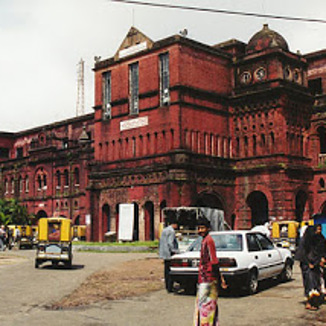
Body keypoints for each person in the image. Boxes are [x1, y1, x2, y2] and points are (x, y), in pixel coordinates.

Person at [194, 217, 227, 326]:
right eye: (198, 228)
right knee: (205, 305)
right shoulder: (204, 241)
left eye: (202, 228)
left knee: (205, 306)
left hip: (209, 279)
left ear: (208, 228)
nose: (200, 230)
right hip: (204, 278)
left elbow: (214, 262)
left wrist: (221, 279)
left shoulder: (209, 241)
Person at [296, 225, 324, 310]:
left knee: (316, 282)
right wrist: (309, 263)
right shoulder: (306, 241)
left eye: (320, 229)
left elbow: (321, 250)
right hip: (307, 264)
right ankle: (310, 302)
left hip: (316, 264)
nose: (318, 231)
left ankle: (316, 300)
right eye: (317, 229)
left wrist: (320, 259)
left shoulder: (319, 239)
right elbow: (303, 254)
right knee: (309, 283)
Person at [159, 217, 179, 292]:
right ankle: (170, 287)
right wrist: (174, 251)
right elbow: (170, 243)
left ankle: (167, 286)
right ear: (174, 224)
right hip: (169, 253)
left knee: (166, 270)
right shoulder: (171, 231)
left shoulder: (165, 230)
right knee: (170, 271)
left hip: (164, 252)